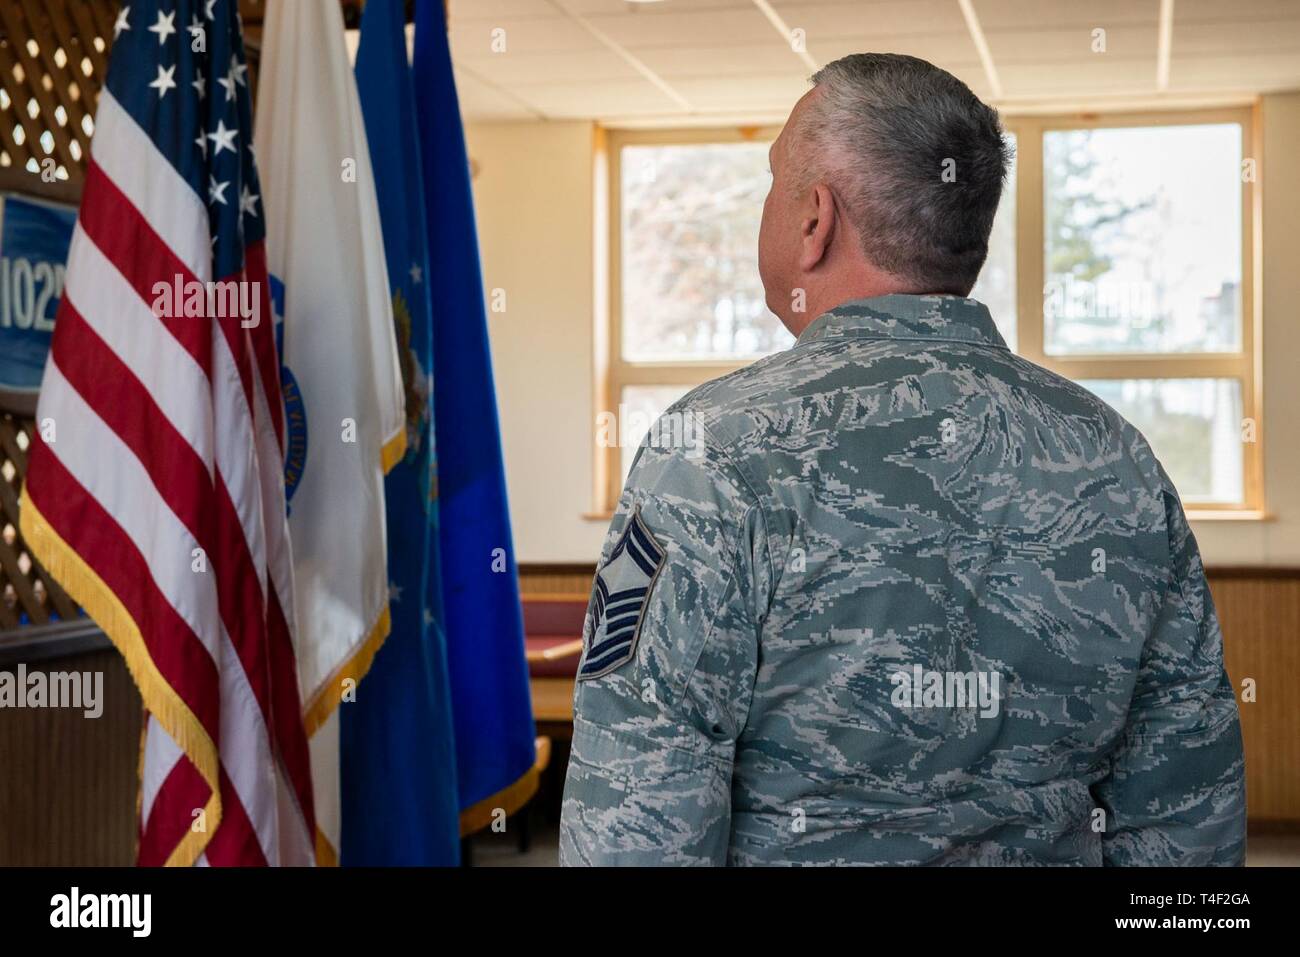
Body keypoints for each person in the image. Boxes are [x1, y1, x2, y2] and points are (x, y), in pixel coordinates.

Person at [560, 53, 1246, 866]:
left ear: (815, 219)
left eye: (774, 182)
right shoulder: (1115, 456)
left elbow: (636, 814)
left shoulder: (713, 452)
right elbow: (1189, 805)